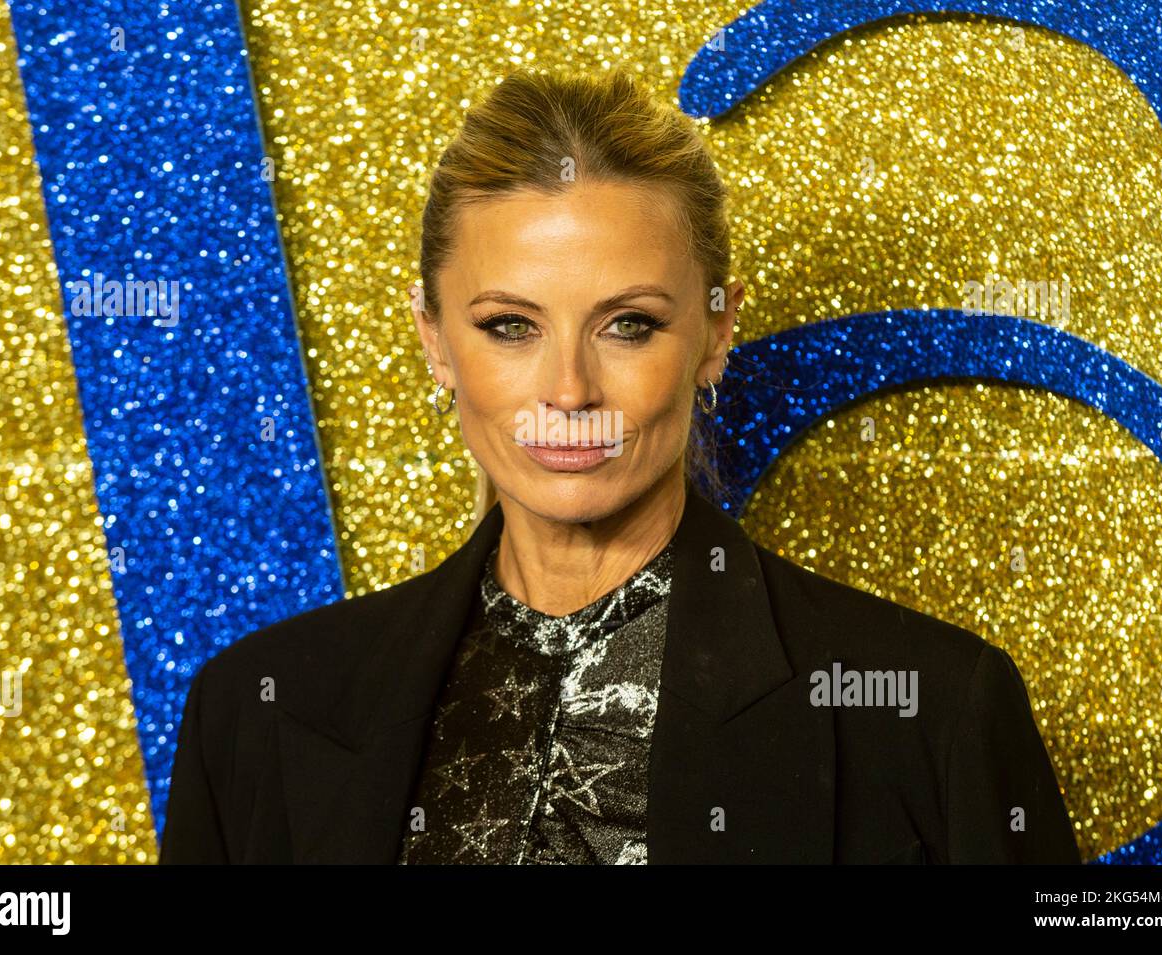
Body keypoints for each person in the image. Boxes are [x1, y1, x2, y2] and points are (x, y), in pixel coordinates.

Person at [160, 66, 1081, 864]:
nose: (567, 389)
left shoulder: (930, 711)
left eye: (629, 323)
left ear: (716, 332)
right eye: (509, 326)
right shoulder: (257, 712)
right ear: (434, 339)